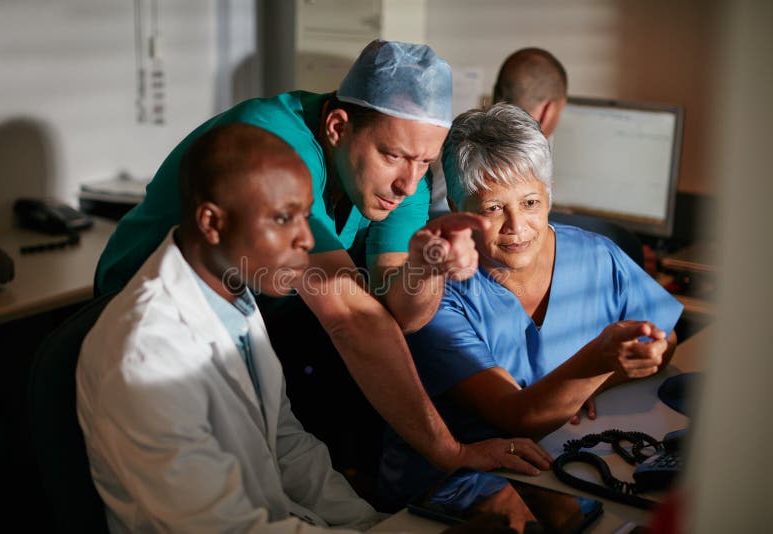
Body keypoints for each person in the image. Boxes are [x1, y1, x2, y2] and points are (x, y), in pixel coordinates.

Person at [93, 39, 550, 493]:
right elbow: (351, 319)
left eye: (425, 161)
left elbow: (400, 312)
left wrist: (427, 268)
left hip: (251, 321)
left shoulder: (407, 171)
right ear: (336, 127)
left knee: (287, 454)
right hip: (151, 317)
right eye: (392, 156)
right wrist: (450, 452)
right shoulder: (274, 151)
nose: (408, 185)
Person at [77, 124, 386, 532]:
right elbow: (221, 527)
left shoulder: (234, 296)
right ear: (211, 222)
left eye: (306, 215)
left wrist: (373, 525)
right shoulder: (147, 354)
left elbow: (284, 442)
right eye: (283, 218)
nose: (307, 240)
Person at [380, 103, 683, 503]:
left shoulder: (598, 255)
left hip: (557, 457)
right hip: (459, 477)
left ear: (548, 192)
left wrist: (587, 383)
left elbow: (666, 340)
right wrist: (593, 364)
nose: (516, 227)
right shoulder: (437, 292)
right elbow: (515, 418)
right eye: (493, 208)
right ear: (456, 208)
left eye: (530, 203)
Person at [430, 47, 567, 217]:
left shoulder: (452, 153)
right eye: (494, 208)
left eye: (530, 203)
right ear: (548, 111)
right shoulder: (467, 164)